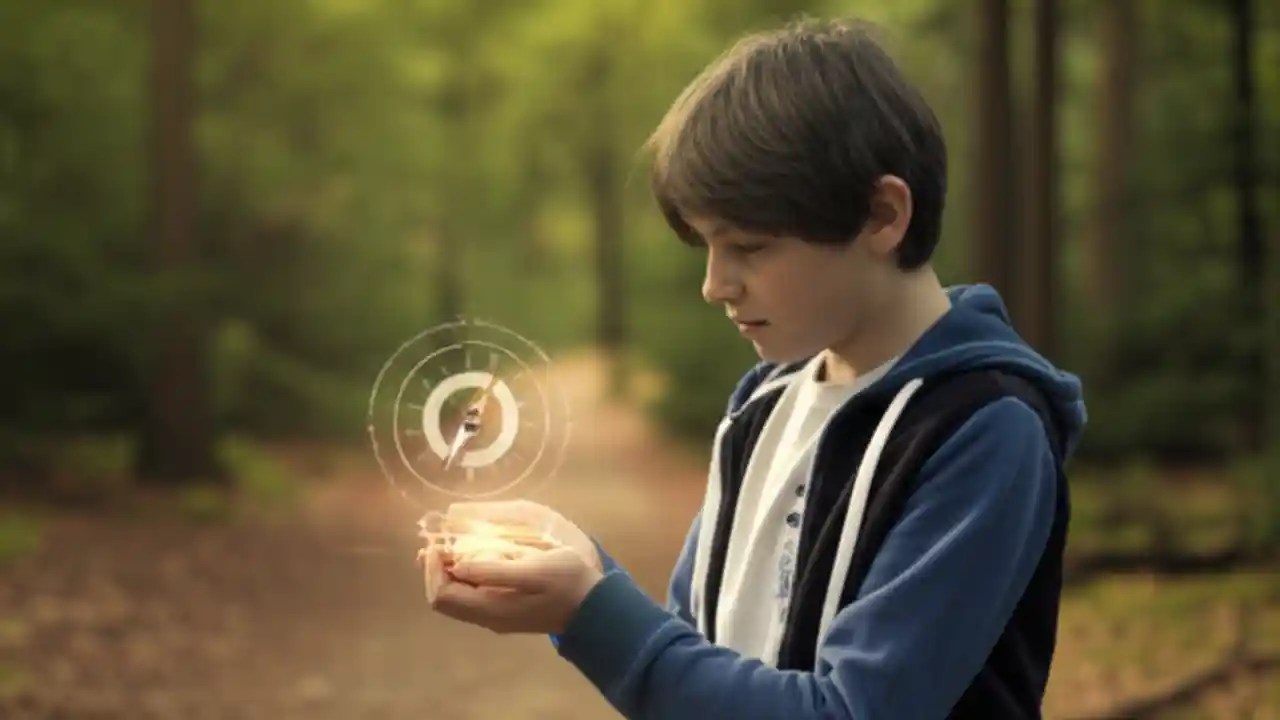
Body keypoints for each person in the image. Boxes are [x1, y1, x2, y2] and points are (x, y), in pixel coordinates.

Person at [428, 16, 1086, 719]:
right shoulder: (765, 403)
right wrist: (584, 575)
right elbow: (695, 654)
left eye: (749, 246)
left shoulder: (983, 429)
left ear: (882, 215)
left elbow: (848, 711)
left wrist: (591, 613)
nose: (716, 284)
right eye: (707, 247)